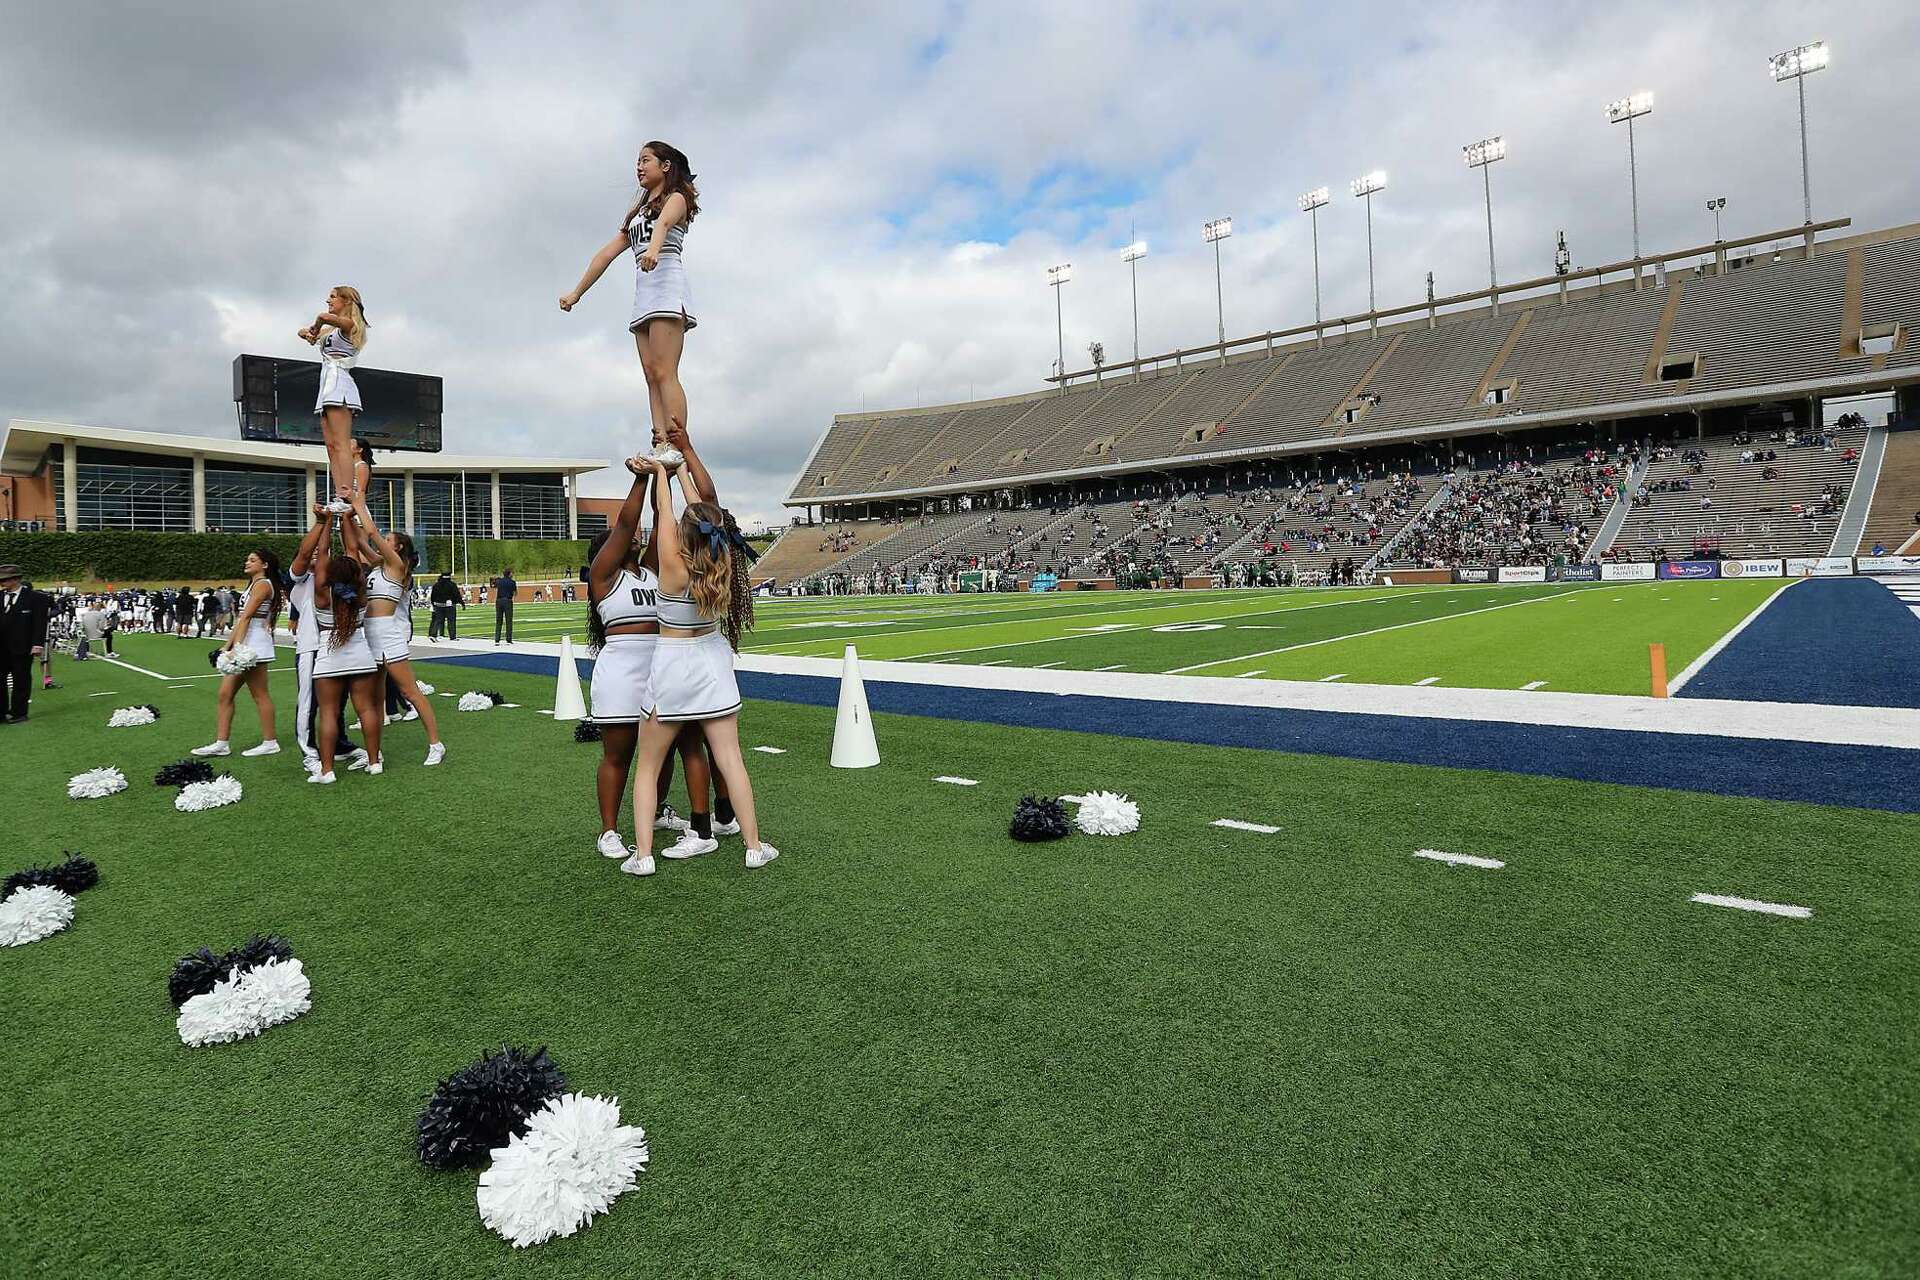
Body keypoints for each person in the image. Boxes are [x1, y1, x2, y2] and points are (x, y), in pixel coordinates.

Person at [620, 454, 776, 877]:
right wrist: (682, 472)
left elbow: (665, 510)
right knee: (731, 758)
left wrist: (660, 473)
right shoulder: (722, 561)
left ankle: (644, 856)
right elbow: (706, 519)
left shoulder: (672, 563)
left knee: (648, 767)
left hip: (672, 665)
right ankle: (753, 846)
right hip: (711, 662)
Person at [560, 140, 700, 447]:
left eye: (645, 160)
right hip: (644, 296)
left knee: (666, 371)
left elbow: (663, 223)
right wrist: (577, 292)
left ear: (665, 166)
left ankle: (678, 442)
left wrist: (652, 249)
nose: (639, 166)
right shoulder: (637, 214)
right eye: (637, 161)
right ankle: (660, 439)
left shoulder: (676, 198)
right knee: (651, 374)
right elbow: (606, 254)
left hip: (666, 286)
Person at [585, 461, 663, 861]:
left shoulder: (650, 571)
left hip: (659, 669)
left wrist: (662, 473)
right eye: (623, 538)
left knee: (660, 751)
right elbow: (626, 523)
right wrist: (641, 476)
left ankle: (660, 811)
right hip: (620, 672)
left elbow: (660, 516)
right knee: (618, 755)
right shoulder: (604, 576)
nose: (634, 538)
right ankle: (609, 830)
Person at [344, 492, 445, 766]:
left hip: (387, 633)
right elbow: (363, 542)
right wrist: (346, 518)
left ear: (398, 548)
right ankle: (374, 756)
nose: (383, 542)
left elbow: (372, 533)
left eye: (389, 541)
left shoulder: (398, 567)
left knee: (410, 691)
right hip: (368, 634)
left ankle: (436, 744)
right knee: (372, 698)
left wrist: (358, 503)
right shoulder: (378, 566)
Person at [287, 505, 365, 774]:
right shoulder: (301, 579)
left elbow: (344, 556)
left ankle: (340, 745)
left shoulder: (333, 583)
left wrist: (339, 520)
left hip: (335, 647)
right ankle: (310, 751)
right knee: (309, 703)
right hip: (311, 647)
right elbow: (307, 553)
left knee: (336, 703)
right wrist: (323, 522)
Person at [191, 548, 284, 758]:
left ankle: (270, 742)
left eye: (253, 560)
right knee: (225, 694)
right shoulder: (252, 585)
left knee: (259, 694)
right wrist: (228, 646)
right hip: (245, 642)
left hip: (254, 645)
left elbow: (247, 618)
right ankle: (221, 743)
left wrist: (235, 648)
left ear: (265, 565)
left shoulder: (262, 585)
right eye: (247, 559)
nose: (247, 562)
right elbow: (242, 620)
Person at [310, 546, 384, 784]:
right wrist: (347, 519)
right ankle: (374, 763)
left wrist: (325, 522)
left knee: (329, 713)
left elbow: (321, 557)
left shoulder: (323, 595)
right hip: (362, 656)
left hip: (329, 657)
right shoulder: (361, 594)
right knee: (367, 710)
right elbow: (352, 553)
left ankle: (327, 770)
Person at [296, 285, 371, 508]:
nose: (328, 300)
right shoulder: (331, 331)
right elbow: (304, 333)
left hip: (340, 385)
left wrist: (316, 326)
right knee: (330, 446)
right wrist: (309, 333)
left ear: (347, 301)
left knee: (341, 443)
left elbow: (321, 317)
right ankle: (340, 494)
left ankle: (347, 495)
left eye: (333, 297)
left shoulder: (349, 325)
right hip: (327, 385)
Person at [0, 565, 50, 723]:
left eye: (5, 579)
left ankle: (19, 712)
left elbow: (40, 624)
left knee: (21, 680)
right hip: (1, 647)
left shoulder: (36, 598)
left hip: (23, 646)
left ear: (16, 579)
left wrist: (38, 644)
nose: (2, 583)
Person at [428, 570, 460, 641]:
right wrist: (460, 602)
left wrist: (433, 604)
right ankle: (452, 636)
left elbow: (433, 596)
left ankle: (433, 635)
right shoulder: (452, 584)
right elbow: (456, 594)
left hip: (438, 605)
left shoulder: (436, 585)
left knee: (437, 620)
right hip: (449, 605)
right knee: (451, 621)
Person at [493, 568, 517, 643]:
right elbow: (515, 593)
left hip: (499, 601)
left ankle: (497, 639)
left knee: (498, 620)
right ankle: (508, 639)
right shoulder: (512, 582)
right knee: (508, 620)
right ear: (509, 574)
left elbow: (493, 585)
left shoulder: (499, 581)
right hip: (508, 601)